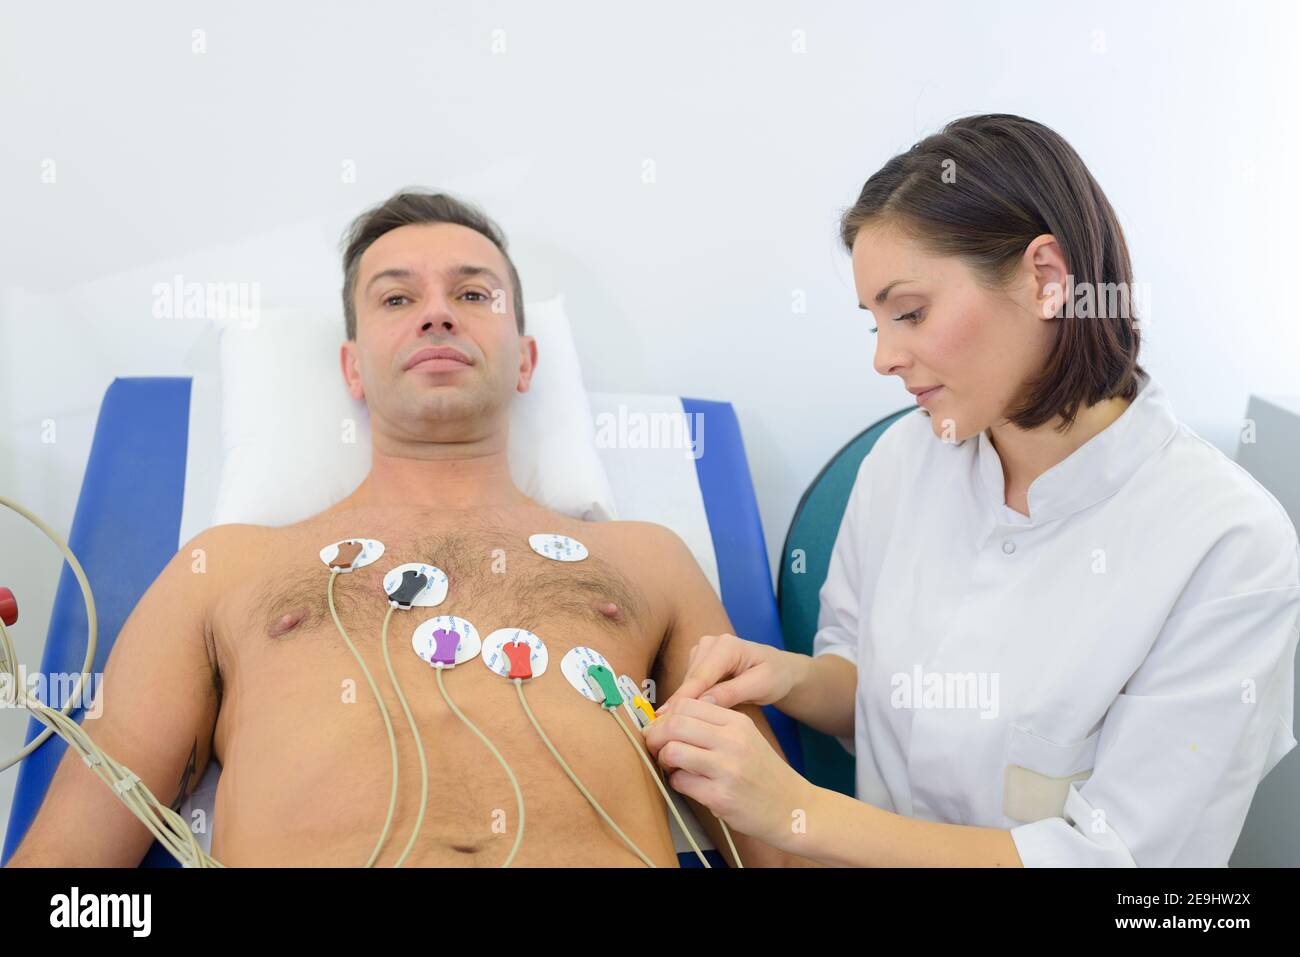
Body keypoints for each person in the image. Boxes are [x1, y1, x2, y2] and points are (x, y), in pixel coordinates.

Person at [7, 190, 800, 867]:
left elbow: (780, 837)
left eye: (473, 294)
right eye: (396, 298)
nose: (435, 315)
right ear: (351, 368)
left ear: (527, 359)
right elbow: (67, 868)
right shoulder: (227, 568)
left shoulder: (648, 559)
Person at [649, 113, 1300, 867]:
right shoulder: (904, 459)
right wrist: (791, 677)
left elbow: (1124, 866)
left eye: (912, 312)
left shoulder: (1228, 544)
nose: (886, 359)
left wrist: (798, 812)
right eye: (875, 325)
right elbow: (870, 689)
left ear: (1047, 280)